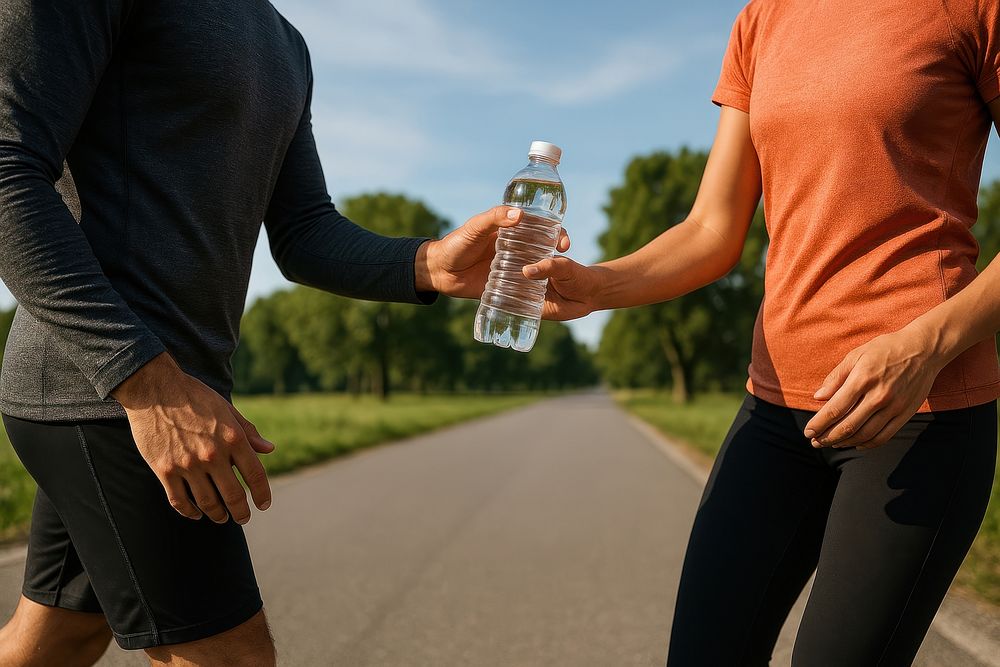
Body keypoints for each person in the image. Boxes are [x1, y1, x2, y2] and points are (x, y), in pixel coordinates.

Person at [0, 1, 569, 665]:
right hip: (108, 390)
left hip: (157, 391)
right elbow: (8, 166)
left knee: (56, 637)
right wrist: (148, 386)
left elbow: (303, 230)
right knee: (233, 655)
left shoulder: (283, 43)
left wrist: (428, 263)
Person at [526, 0, 1000, 664]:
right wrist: (597, 283)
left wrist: (928, 344)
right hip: (775, 411)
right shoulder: (763, 18)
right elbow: (712, 230)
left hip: (915, 411)